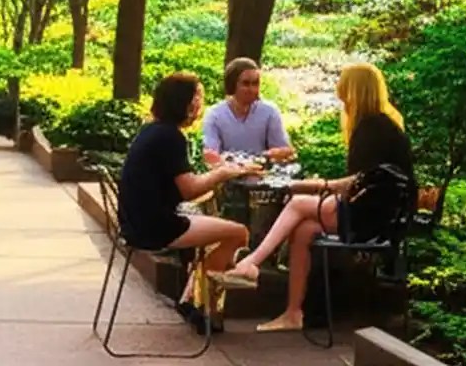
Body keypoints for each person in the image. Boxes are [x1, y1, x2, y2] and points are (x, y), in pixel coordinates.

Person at [215, 62, 414, 333]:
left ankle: (251, 262)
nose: (338, 90)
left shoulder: (371, 128)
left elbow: (357, 182)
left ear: (353, 89)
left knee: (297, 203)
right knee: (304, 230)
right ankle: (294, 313)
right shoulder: (385, 123)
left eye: (343, 84)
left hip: (371, 217)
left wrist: (314, 185)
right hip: (386, 215)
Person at [117, 72, 262, 331]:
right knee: (238, 233)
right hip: (155, 228)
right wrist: (224, 173)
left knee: (215, 236)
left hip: (135, 223)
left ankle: (190, 300)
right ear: (183, 103)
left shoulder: (153, 130)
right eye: (197, 98)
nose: (200, 105)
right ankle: (204, 307)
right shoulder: (170, 137)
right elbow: (189, 190)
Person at [202, 57, 294, 166]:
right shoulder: (215, 115)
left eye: (255, 84)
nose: (251, 89)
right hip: (227, 177)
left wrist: (270, 155)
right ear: (232, 85)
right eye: (246, 84)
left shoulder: (269, 112)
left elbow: (285, 151)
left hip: (262, 176)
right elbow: (210, 155)